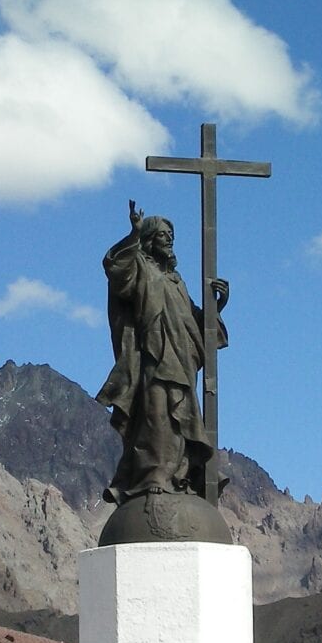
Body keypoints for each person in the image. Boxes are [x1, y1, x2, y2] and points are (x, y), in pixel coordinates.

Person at [95, 200, 229, 504]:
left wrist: (215, 308)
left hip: (181, 358)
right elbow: (115, 268)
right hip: (153, 354)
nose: (168, 241)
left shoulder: (176, 282)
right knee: (155, 413)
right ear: (149, 240)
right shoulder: (141, 268)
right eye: (162, 236)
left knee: (181, 417)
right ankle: (152, 475)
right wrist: (133, 234)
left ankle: (180, 476)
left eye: (171, 236)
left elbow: (193, 319)